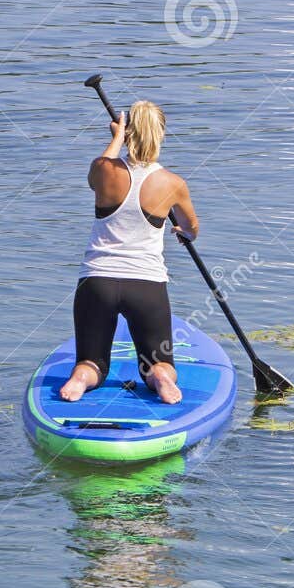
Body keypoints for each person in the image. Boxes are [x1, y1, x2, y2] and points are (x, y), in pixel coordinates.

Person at [59, 100, 198, 405]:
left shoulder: (103, 170)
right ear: (160, 134)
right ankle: (161, 378)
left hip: (97, 283)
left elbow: (96, 174)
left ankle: (80, 378)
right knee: (158, 363)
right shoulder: (172, 183)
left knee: (92, 362)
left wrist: (117, 139)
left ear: (128, 133)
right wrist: (181, 232)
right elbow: (192, 228)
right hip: (146, 286)